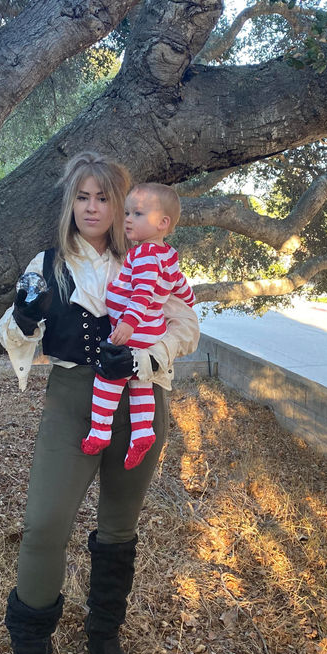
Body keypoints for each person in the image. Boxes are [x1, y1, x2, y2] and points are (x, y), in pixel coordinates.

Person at [0, 151, 199, 654]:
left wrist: (145, 353)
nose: (92, 207)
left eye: (103, 197)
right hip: (72, 402)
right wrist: (23, 312)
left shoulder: (150, 259)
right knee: (43, 527)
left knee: (118, 526)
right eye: (82, 197)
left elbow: (186, 324)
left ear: (120, 203)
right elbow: (14, 332)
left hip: (140, 396)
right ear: (71, 203)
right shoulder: (48, 263)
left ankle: (103, 637)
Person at [81, 183, 195, 469]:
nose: (128, 219)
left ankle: (99, 431)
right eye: (128, 212)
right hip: (151, 331)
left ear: (162, 223)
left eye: (137, 214)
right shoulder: (167, 254)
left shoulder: (143, 255)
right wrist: (189, 298)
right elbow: (179, 282)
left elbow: (142, 292)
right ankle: (143, 433)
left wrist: (129, 323)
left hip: (134, 330)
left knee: (108, 380)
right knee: (141, 384)